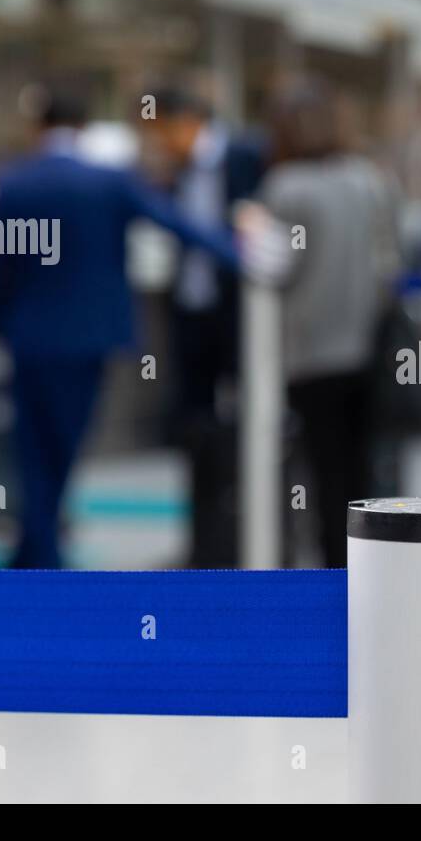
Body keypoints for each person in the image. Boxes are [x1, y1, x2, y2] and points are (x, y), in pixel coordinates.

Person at [0, 89, 266, 569]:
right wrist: (244, 256)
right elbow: (178, 224)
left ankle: (37, 547)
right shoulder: (109, 182)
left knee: (32, 446)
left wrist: (3, 326)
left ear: (39, 128)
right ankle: (40, 546)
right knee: (68, 440)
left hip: (29, 338)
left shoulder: (14, 183)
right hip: (90, 338)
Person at [259, 78, 397, 568]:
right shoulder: (367, 180)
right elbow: (389, 260)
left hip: (310, 348)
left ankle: (328, 564)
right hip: (369, 344)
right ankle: (369, 565)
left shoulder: (284, 188)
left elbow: (276, 268)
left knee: (319, 464)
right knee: (364, 466)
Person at [145, 88, 268, 566]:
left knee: (246, 429)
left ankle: (247, 537)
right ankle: (204, 543)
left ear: (188, 121)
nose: (159, 143)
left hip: (238, 316)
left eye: (162, 130)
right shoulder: (175, 175)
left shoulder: (245, 157)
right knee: (195, 430)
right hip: (191, 315)